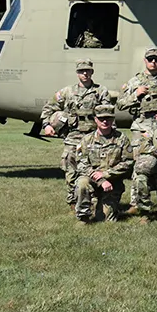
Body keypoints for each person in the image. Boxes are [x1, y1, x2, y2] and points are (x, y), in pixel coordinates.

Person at [41, 59, 111, 210]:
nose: (85, 73)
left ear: (92, 72)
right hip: (73, 136)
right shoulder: (67, 92)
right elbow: (49, 107)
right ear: (77, 73)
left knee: (95, 168)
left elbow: (107, 113)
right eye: (81, 71)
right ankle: (73, 201)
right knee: (70, 168)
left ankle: (95, 200)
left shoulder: (100, 91)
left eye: (87, 70)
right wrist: (46, 125)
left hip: (94, 137)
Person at [118, 47, 157, 216]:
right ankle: (136, 202)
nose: (153, 62)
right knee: (140, 164)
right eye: (150, 59)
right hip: (142, 126)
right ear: (145, 60)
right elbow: (120, 104)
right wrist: (135, 95)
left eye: (156, 60)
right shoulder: (135, 81)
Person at [73, 104, 134, 224]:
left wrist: (106, 174)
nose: (105, 121)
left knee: (107, 220)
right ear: (95, 120)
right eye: (101, 119)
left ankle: (99, 204)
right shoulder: (87, 139)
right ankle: (83, 217)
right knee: (82, 182)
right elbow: (81, 164)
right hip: (92, 179)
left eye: (109, 118)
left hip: (112, 182)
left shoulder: (122, 139)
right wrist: (100, 179)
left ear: (113, 120)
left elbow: (128, 162)